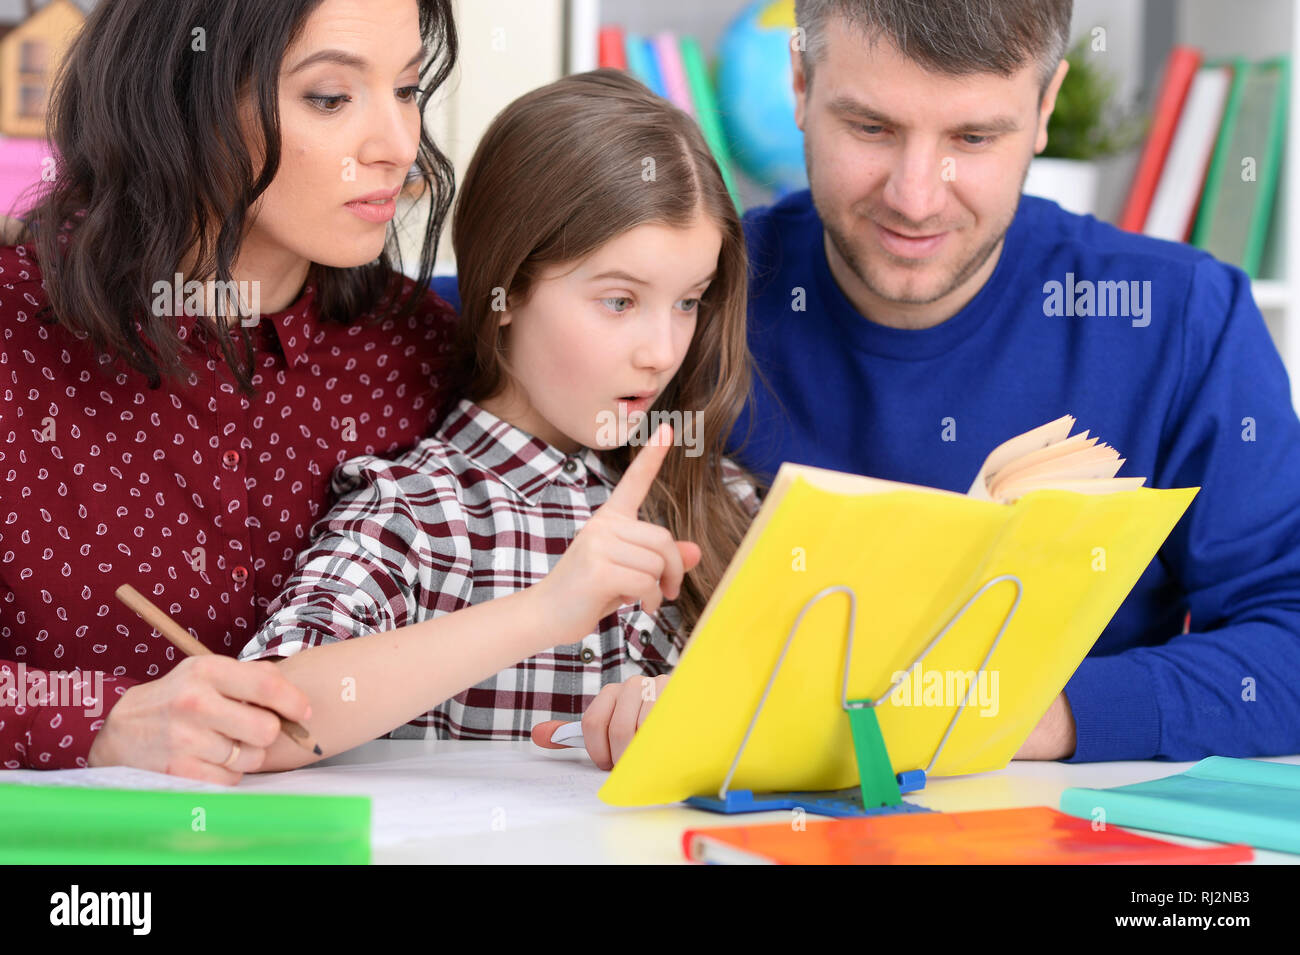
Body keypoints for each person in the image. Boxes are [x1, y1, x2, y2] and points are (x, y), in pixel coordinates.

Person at [728, 0, 1300, 762]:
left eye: (973, 137)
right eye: (871, 128)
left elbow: (1289, 639)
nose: (916, 197)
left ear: (1044, 108)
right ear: (799, 83)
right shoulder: (686, 301)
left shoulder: (1184, 317)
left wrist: (1018, 716)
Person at [237, 68, 761, 773]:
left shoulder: (722, 499)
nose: (662, 352)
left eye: (688, 301)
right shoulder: (420, 512)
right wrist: (546, 610)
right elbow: (263, 719)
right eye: (618, 301)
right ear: (505, 291)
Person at [0, 0, 460, 783]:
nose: (397, 149)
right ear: (181, 94)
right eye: (330, 97)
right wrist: (99, 721)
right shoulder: (16, 332)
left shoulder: (424, 347)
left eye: (409, 90)